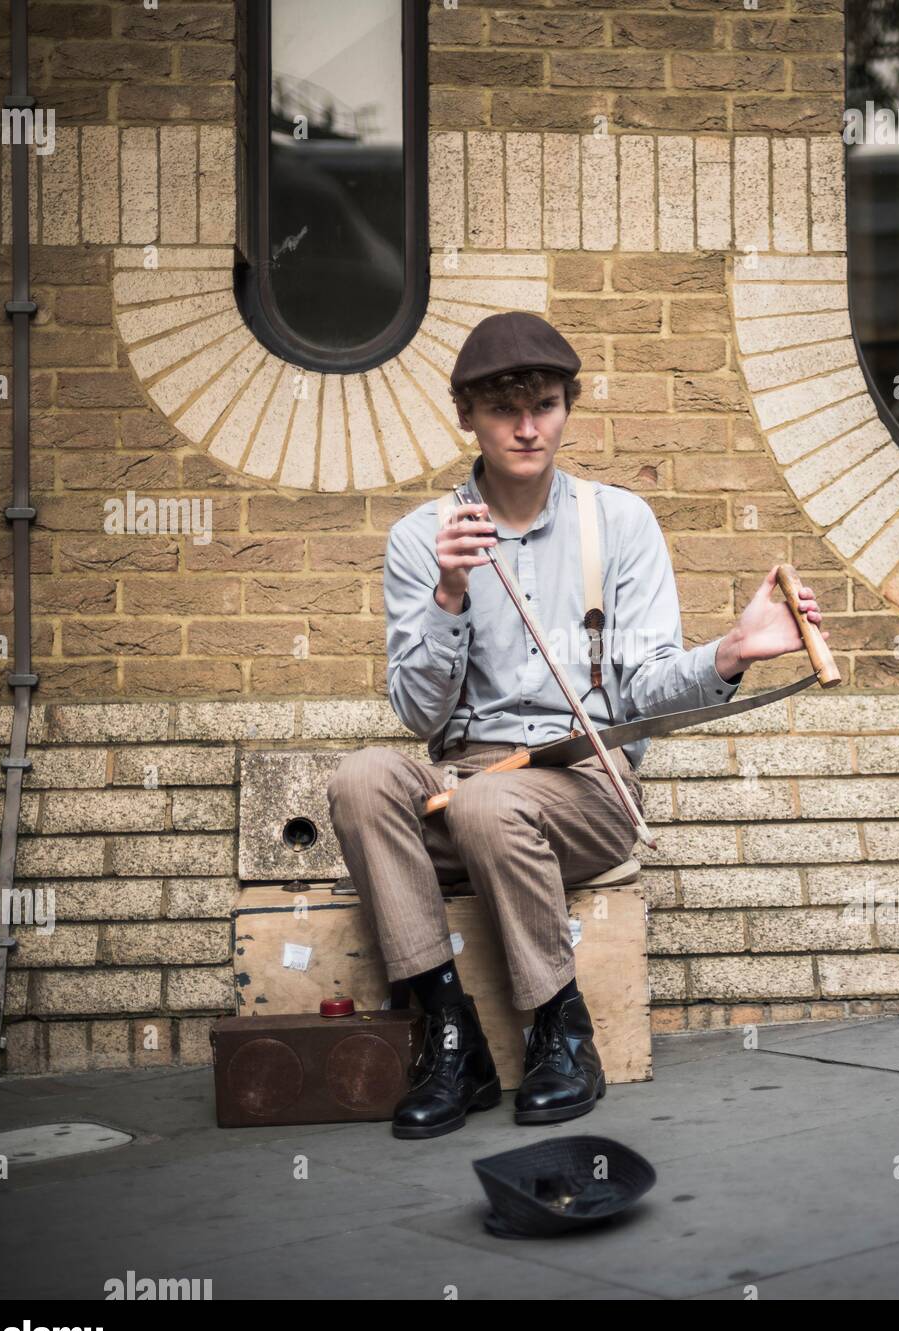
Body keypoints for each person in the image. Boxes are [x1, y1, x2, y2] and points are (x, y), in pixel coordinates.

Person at [327, 311, 828, 1140]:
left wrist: (734, 652)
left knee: (497, 806)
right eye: (503, 410)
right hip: (463, 779)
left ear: (568, 405)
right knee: (362, 778)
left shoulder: (617, 524)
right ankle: (451, 1039)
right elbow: (416, 713)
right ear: (467, 417)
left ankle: (564, 1034)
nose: (528, 428)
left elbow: (643, 696)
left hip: (583, 785)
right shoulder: (422, 538)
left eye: (547, 405)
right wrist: (447, 595)